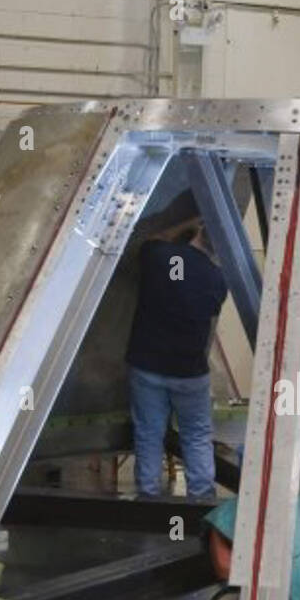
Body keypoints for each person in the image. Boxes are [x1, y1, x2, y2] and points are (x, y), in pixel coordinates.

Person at [125, 196, 228, 498]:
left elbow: (151, 241)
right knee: (197, 435)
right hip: (189, 373)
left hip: (148, 367)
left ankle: (149, 495)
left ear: (199, 231)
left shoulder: (161, 258)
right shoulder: (217, 280)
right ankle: (201, 497)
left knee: (149, 433)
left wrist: (186, 223)